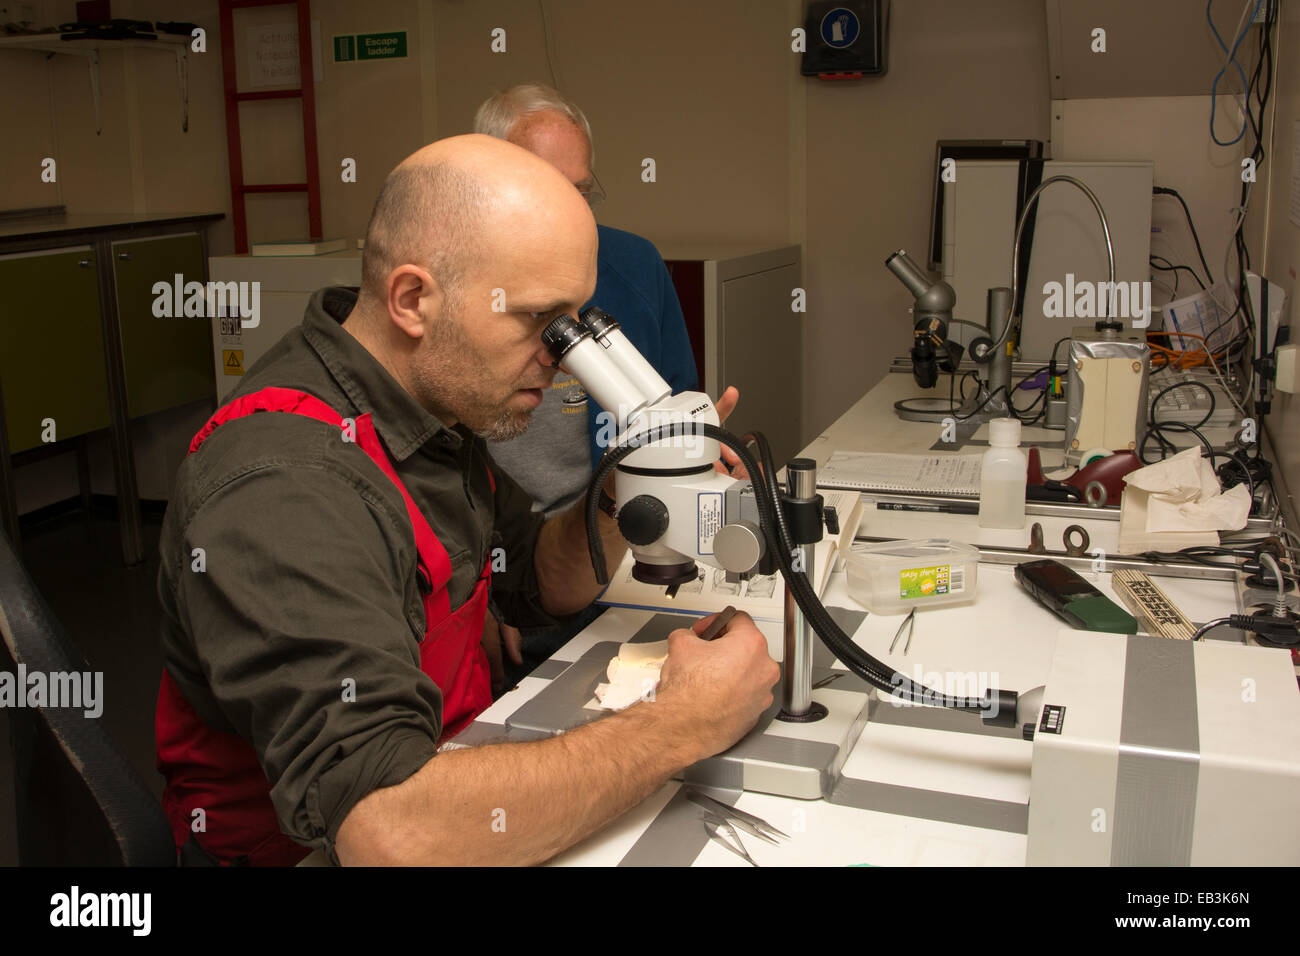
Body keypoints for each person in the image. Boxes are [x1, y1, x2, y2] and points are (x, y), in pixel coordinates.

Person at [154, 134, 779, 866]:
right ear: (414, 299)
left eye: (574, 326)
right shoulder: (284, 485)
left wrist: (628, 484)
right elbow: (390, 831)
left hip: (455, 777)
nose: (562, 356)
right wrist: (678, 726)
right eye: (540, 322)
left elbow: (540, 584)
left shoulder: (435, 410)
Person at [473, 84, 737, 684]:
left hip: (629, 553)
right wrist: (481, 593)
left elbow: (675, 411)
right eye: (546, 190)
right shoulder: (465, 298)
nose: (571, 216)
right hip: (518, 576)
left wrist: (703, 455)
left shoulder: (635, 266)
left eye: (582, 192)